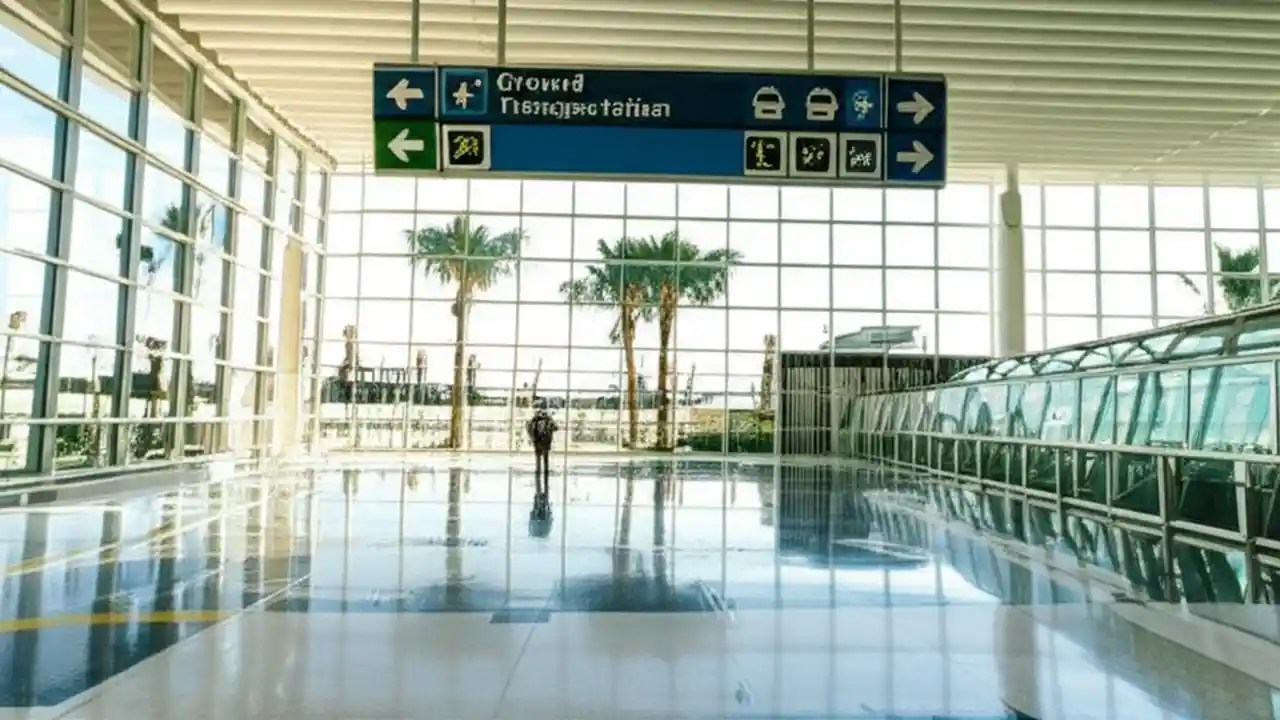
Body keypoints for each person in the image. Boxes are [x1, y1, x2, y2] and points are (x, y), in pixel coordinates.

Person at [525, 398, 558, 496]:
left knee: (540, 459)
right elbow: (555, 428)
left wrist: (532, 437)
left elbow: (529, 427)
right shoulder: (547, 418)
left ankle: (540, 474)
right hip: (544, 441)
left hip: (538, 441)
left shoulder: (536, 419)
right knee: (544, 460)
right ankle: (543, 474)